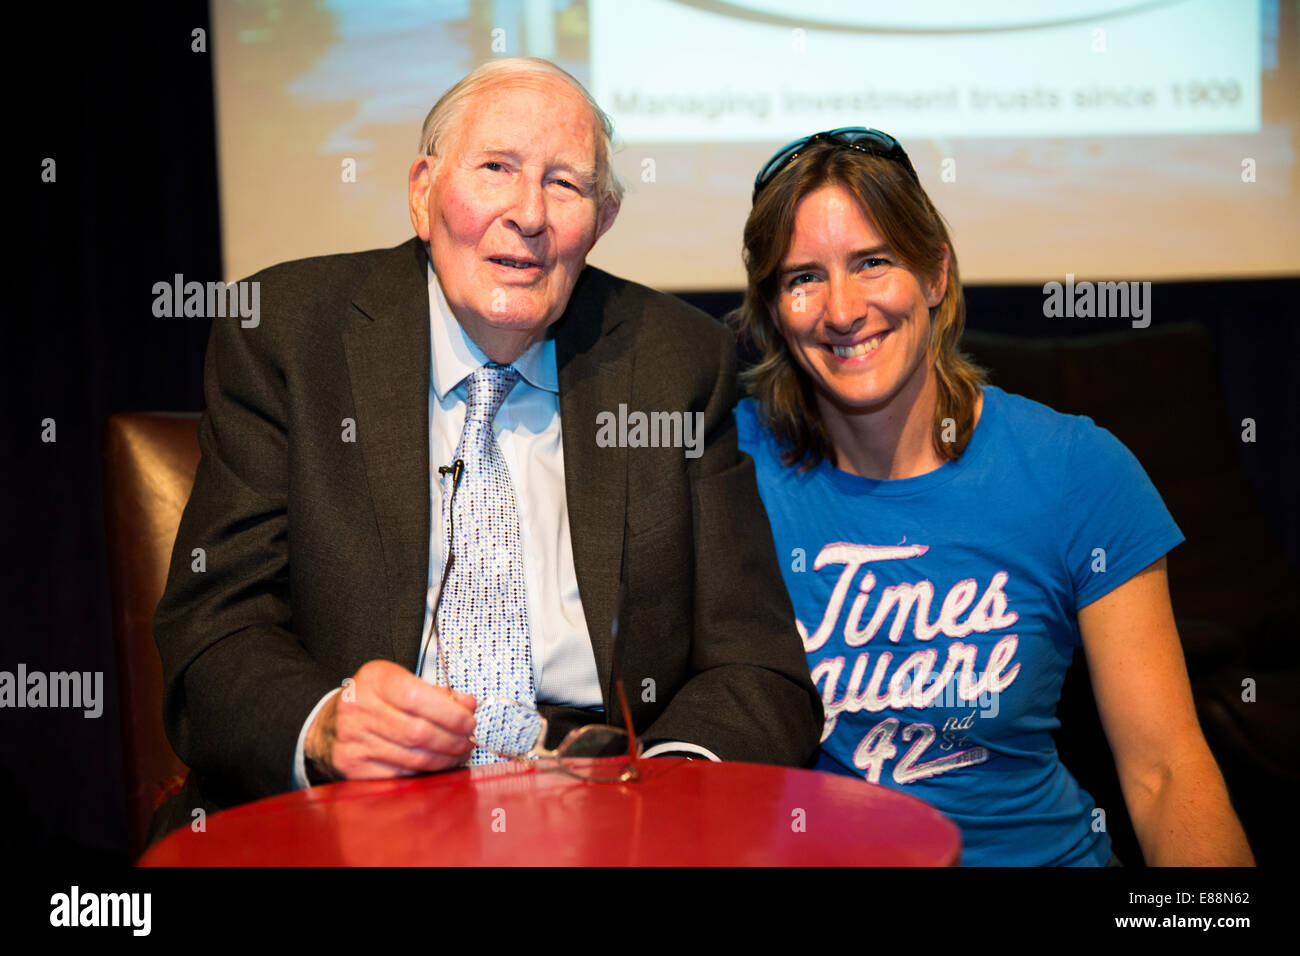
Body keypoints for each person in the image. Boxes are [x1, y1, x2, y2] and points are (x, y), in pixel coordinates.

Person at [150, 58, 820, 836]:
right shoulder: (290, 339)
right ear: (423, 191)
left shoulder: (677, 365)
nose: (528, 214)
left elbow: (758, 666)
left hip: (602, 811)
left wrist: (663, 796)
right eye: (497, 168)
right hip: (351, 810)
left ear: (601, 222)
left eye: (565, 185)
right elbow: (215, 631)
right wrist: (327, 726)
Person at [730, 127, 1254, 865]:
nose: (841, 310)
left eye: (873, 262)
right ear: (775, 309)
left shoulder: (1076, 469)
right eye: (803, 277)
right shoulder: (725, 468)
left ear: (935, 274)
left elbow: (1165, 772)